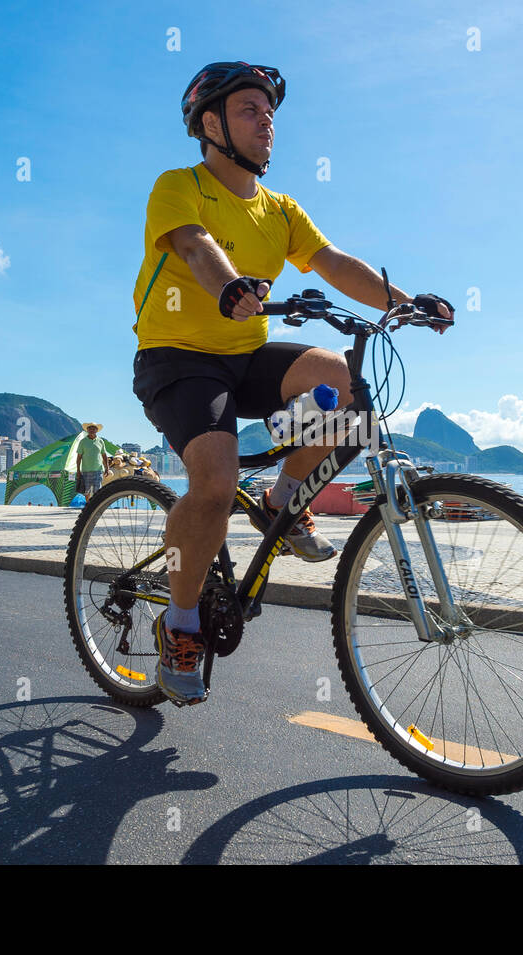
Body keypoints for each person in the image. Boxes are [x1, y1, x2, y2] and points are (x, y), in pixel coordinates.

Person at [131, 62, 454, 706]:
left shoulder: (280, 209)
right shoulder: (180, 185)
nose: (267, 121)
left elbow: (331, 262)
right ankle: (181, 623)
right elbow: (196, 247)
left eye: (270, 111)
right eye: (250, 109)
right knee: (216, 482)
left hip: (246, 357)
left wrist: (404, 300)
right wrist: (229, 286)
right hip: (178, 357)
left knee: (349, 390)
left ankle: (283, 495)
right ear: (211, 123)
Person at [75, 423, 112, 496]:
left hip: (98, 471)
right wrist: (78, 471)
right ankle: (89, 506)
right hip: (86, 471)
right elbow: (79, 457)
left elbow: (104, 455)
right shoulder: (83, 441)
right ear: (87, 430)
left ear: (97, 430)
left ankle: (95, 506)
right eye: (90, 428)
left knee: (97, 492)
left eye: (94, 428)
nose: (92, 430)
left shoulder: (100, 441)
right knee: (86, 492)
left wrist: (107, 468)